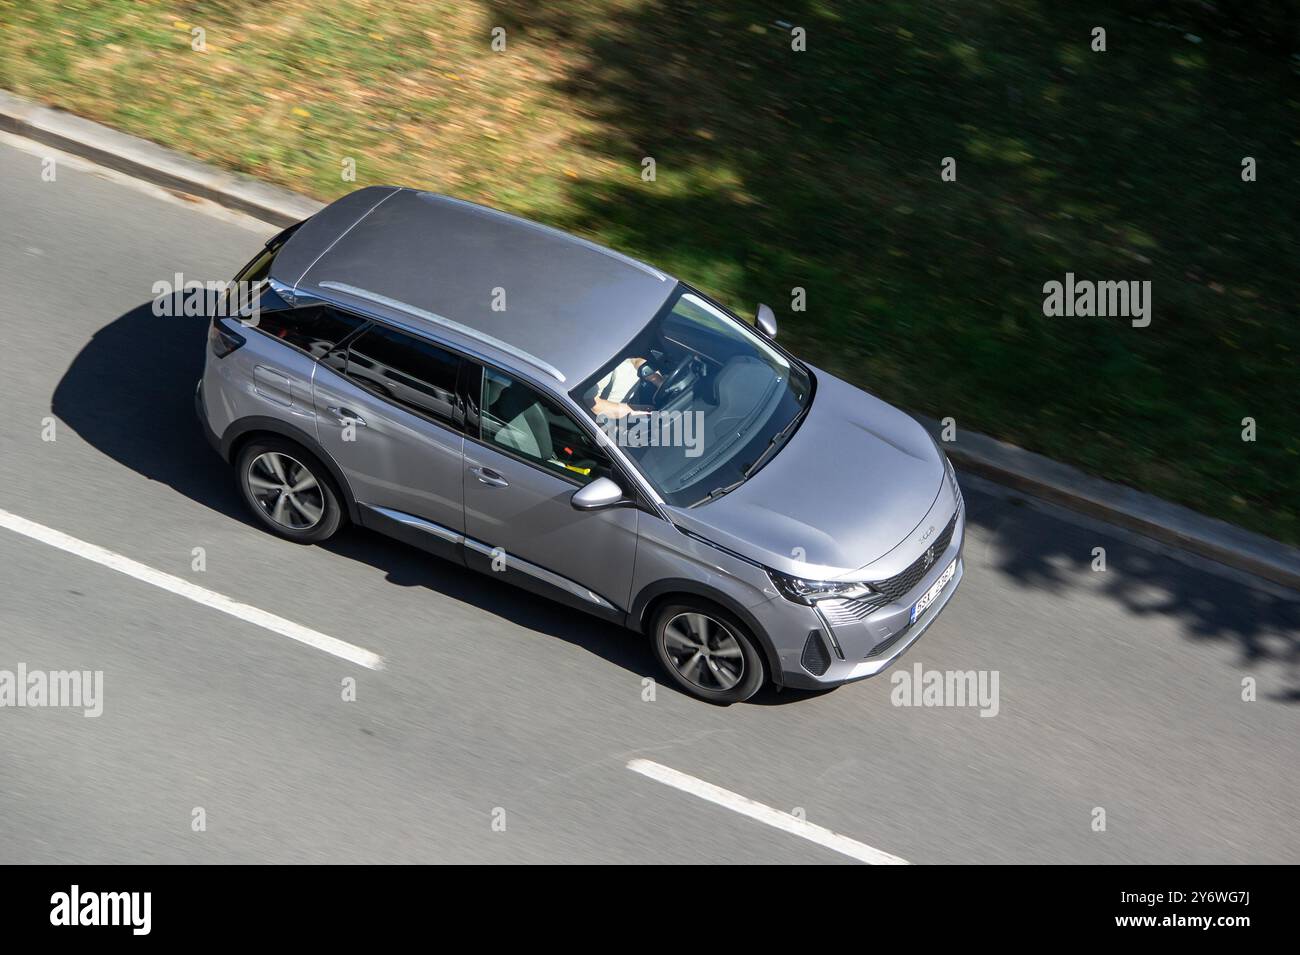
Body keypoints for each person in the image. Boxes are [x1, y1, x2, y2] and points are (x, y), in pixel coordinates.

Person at [590, 356, 661, 419]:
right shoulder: (600, 365)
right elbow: (595, 406)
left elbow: (638, 361)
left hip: (628, 407)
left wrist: (659, 382)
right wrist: (640, 410)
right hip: (601, 419)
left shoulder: (620, 347)